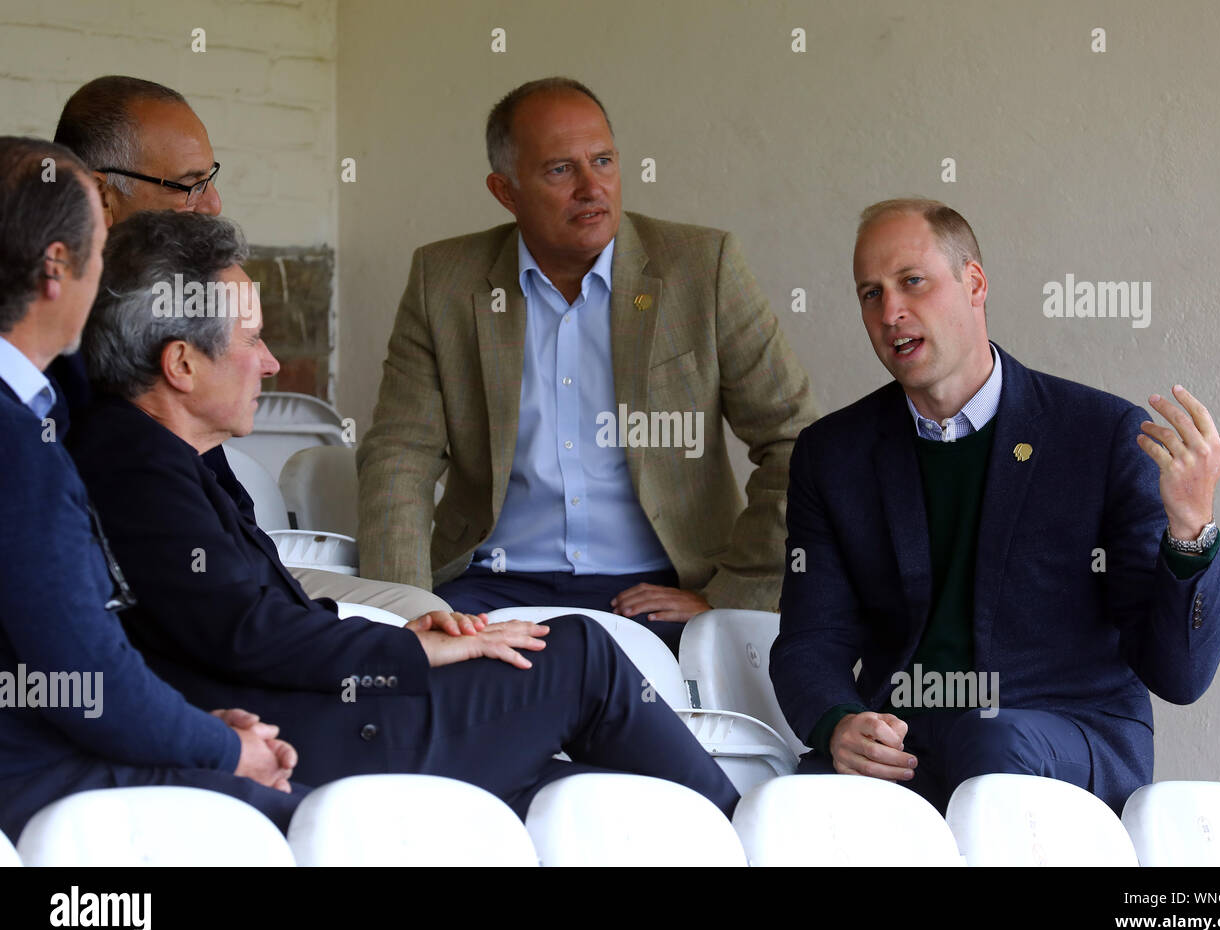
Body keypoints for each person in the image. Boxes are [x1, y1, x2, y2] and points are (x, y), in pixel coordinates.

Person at [68, 209, 740, 818]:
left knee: (571, 796)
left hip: (326, 715)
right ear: (182, 363)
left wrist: (406, 635)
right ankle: (750, 832)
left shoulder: (166, 451)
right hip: (312, 744)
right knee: (580, 657)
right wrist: (409, 649)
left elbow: (247, 618)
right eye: (253, 340)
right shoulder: (135, 466)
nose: (271, 363)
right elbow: (245, 632)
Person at [771, 198, 1220, 813]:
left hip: (1068, 732)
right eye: (870, 294)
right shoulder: (833, 454)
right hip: (909, 745)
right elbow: (811, 638)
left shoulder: (1098, 436)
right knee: (783, 808)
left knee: (993, 747)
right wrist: (838, 724)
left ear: (974, 284)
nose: (891, 312)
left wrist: (1190, 527)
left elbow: (1180, 677)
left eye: (912, 281)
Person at [357, 77, 819, 653]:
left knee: (643, 715)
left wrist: (732, 594)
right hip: (492, 588)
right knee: (437, 707)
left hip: (662, 589)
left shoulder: (703, 268)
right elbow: (399, 454)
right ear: (506, 191)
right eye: (559, 170)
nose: (591, 186)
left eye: (602, 160)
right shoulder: (444, 280)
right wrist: (406, 612)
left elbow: (795, 440)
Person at [48, 73, 448, 622]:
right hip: (150, 598)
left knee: (419, 608)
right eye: (187, 184)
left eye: (209, 178)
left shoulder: (180, 290)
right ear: (100, 195)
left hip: (237, 562)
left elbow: (219, 488)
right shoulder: (55, 326)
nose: (212, 204)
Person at [0, 137, 301, 840]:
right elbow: (87, 683)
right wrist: (228, 750)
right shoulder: (19, 449)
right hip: (34, 779)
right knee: (318, 830)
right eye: (99, 254)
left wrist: (192, 728)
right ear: (55, 269)